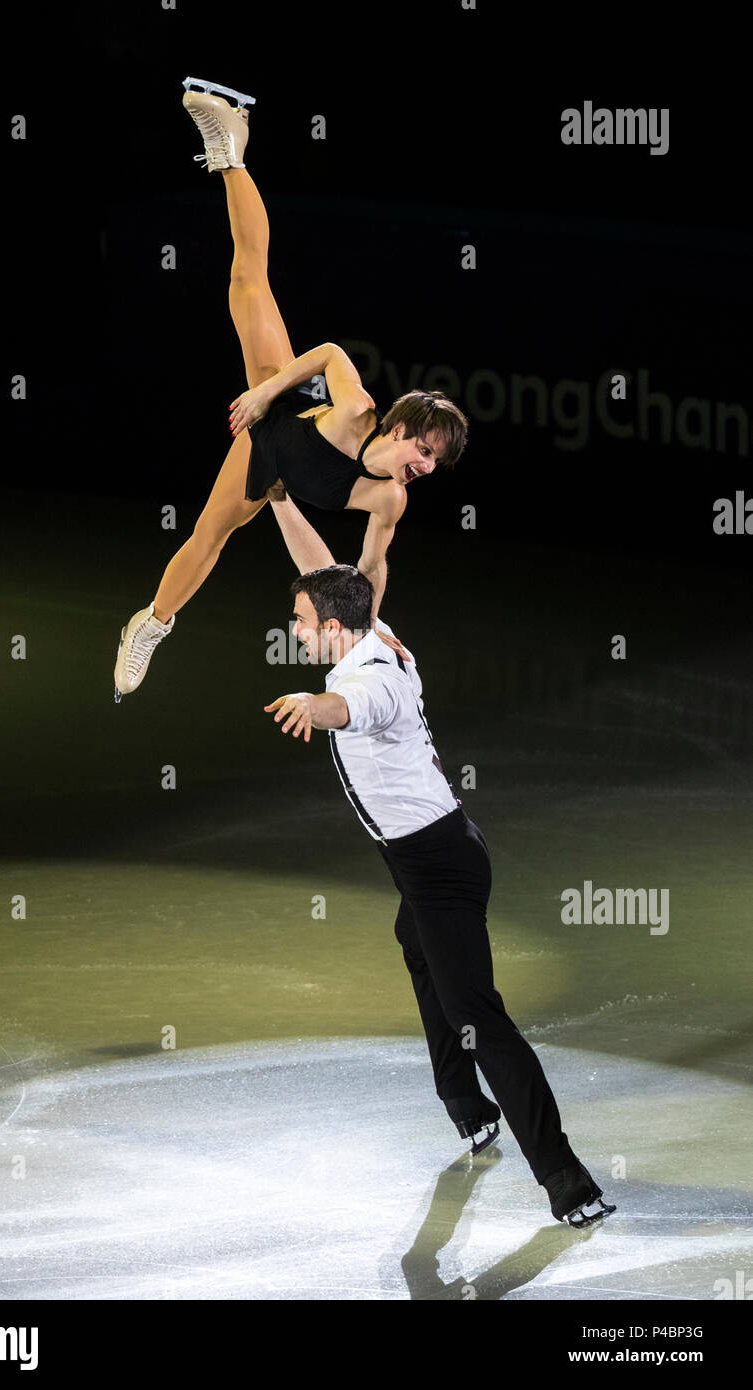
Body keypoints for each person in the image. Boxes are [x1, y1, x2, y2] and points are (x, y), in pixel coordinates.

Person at [261, 494, 617, 1227]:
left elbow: (345, 708)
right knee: (413, 944)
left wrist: (309, 700)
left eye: (300, 623)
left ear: (331, 628)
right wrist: (279, 499)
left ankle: (566, 1178)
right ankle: (464, 1104)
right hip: (431, 857)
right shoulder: (373, 632)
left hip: (440, 865)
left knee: (477, 1015)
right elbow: (319, 568)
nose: (293, 630)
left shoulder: (372, 678)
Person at [113, 76, 468, 702]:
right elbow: (329, 353)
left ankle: (149, 623)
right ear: (403, 430)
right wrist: (261, 394)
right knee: (247, 278)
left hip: (272, 468)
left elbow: (369, 568)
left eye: (436, 463)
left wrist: (372, 622)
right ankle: (231, 150)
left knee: (211, 535)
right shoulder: (357, 409)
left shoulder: (390, 501)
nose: (428, 467)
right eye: (428, 452)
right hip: (278, 414)